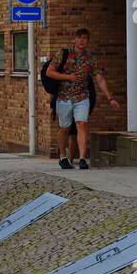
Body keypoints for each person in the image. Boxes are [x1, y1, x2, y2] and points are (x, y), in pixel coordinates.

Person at [45, 27, 119, 169]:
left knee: (82, 124)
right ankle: (62, 156)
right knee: (65, 128)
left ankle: (83, 158)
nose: (81, 41)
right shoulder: (63, 54)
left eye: (84, 38)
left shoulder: (90, 58)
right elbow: (50, 72)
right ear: (75, 39)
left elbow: (100, 79)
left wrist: (110, 98)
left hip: (82, 97)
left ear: (88, 41)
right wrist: (69, 77)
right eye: (79, 38)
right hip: (64, 97)